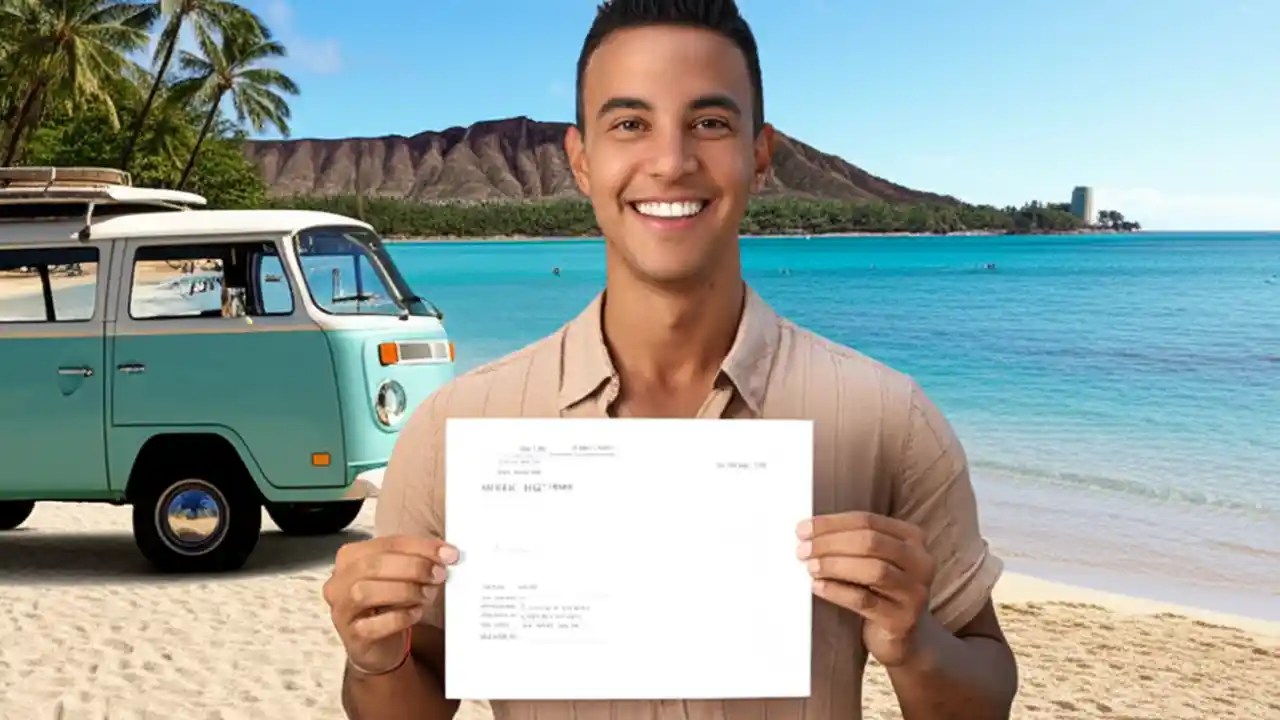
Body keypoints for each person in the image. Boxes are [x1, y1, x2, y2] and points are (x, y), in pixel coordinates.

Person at [322, 1, 1019, 718]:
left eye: (709, 123)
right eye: (630, 124)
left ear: (759, 155)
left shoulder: (888, 421)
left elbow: (986, 690)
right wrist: (375, 657)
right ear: (581, 161)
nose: (671, 162)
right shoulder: (459, 427)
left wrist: (916, 645)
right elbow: (409, 701)